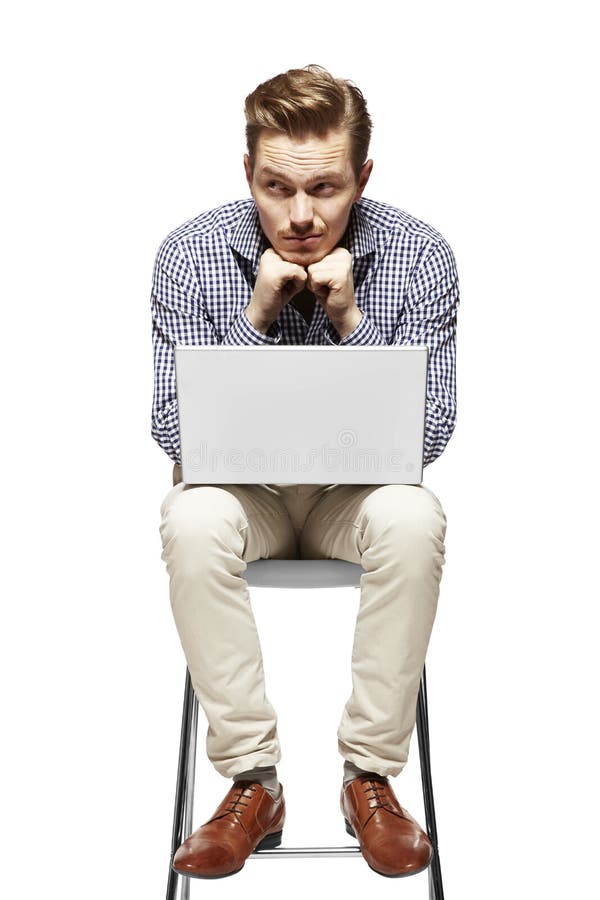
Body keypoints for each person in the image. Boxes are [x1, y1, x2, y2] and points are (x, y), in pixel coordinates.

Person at [152, 64, 460, 880]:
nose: (298, 215)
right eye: (274, 187)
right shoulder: (191, 256)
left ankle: (370, 781)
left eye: (324, 188)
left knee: (413, 514)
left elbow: (429, 433)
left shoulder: (420, 256)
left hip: (348, 504)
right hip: (241, 502)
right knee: (189, 516)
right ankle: (253, 786)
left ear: (362, 176)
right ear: (246, 173)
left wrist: (351, 320)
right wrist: (254, 317)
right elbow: (169, 431)